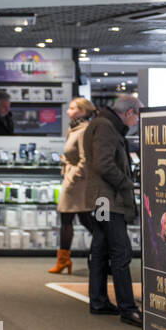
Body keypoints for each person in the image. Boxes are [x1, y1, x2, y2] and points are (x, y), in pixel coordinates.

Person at [79, 94, 143, 326]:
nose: (136, 121)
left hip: (101, 199)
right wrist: (127, 184)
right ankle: (127, 308)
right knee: (120, 251)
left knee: (101, 249)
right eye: (136, 116)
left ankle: (99, 301)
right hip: (106, 200)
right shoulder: (106, 127)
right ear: (129, 112)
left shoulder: (101, 124)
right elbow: (104, 164)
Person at [49, 97, 95, 275]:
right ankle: (63, 260)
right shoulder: (74, 128)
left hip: (76, 183)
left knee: (68, 219)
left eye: (72, 108)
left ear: (82, 111)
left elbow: (85, 159)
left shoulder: (83, 130)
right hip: (74, 181)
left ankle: (64, 261)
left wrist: (73, 176)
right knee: (81, 219)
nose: (68, 111)